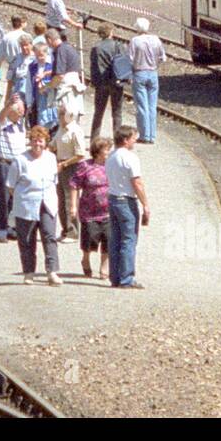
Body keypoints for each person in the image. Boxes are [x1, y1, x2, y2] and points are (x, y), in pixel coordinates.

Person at [8, 125, 62, 285]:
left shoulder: (51, 158)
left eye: (41, 141)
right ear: (29, 142)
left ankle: (52, 272)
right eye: (34, 141)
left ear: (45, 142)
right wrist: (22, 198)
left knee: (49, 236)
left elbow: (54, 181)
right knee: (26, 239)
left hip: (47, 202)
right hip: (26, 204)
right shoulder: (20, 160)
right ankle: (29, 272)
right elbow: (10, 186)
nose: (37, 144)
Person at [105, 125, 149, 289]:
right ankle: (126, 278)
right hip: (126, 201)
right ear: (125, 140)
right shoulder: (130, 158)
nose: (135, 141)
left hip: (113, 199)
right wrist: (145, 204)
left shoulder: (111, 156)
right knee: (129, 240)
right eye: (133, 138)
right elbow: (137, 183)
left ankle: (115, 277)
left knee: (115, 239)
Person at [71, 137, 112, 279]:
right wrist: (73, 207)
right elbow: (74, 185)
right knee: (90, 238)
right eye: (106, 149)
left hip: (108, 210)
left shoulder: (111, 165)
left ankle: (104, 266)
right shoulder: (85, 166)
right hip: (89, 210)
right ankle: (86, 259)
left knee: (108, 238)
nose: (109, 152)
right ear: (98, 151)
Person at [0, 95, 27, 242]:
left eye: (22, 110)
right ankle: (0, 229)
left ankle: (12, 228)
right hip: (4, 163)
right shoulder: (2, 124)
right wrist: (8, 105)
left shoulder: (21, 126)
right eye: (19, 109)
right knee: (2, 198)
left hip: (17, 165)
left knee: (15, 198)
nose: (21, 112)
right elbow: (1, 116)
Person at [128, 17, 166, 144]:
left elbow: (130, 59)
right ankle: (152, 135)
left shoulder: (134, 41)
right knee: (152, 106)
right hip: (153, 73)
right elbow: (162, 57)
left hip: (139, 73)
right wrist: (155, 65)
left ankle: (144, 135)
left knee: (142, 106)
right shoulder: (156, 39)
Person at [52, 110, 88, 241]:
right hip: (60, 166)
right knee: (61, 201)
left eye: (63, 114)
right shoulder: (60, 129)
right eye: (59, 114)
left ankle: (73, 232)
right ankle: (65, 230)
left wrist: (65, 164)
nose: (60, 116)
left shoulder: (75, 131)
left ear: (71, 116)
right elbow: (53, 146)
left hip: (71, 167)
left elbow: (80, 154)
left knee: (70, 201)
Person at [89, 25, 126, 139]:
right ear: (111, 33)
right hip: (116, 82)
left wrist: (94, 82)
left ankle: (94, 140)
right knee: (117, 113)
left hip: (101, 83)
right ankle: (118, 140)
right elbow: (123, 64)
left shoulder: (96, 48)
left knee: (98, 113)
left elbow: (93, 67)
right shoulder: (117, 46)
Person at [45, 28, 85, 124]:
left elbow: (60, 75)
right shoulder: (69, 47)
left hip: (67, 90)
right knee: (73, 118)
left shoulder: (60, 50)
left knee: (66, 118)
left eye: (47, 42)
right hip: (75, 86)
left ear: (49, 40)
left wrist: (48, 86)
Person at [9, 35, 37, 119]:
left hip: (31, 93)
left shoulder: (35, 58)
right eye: (22, 45)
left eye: (26, 45)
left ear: (31, 45)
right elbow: (10, 78)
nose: (24, 47)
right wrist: (7, 96)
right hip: (17, 91)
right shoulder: (16, 58)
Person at [32, 42, 58, 133]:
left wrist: (43, 83)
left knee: (53, 119)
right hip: (39, 98)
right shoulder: (33, 66)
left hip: (51, 98)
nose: (39, 58)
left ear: (47, 53)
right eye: (37, 56)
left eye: (41, 55)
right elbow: (29, 84)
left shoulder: (52, 65)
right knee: (42, 118)